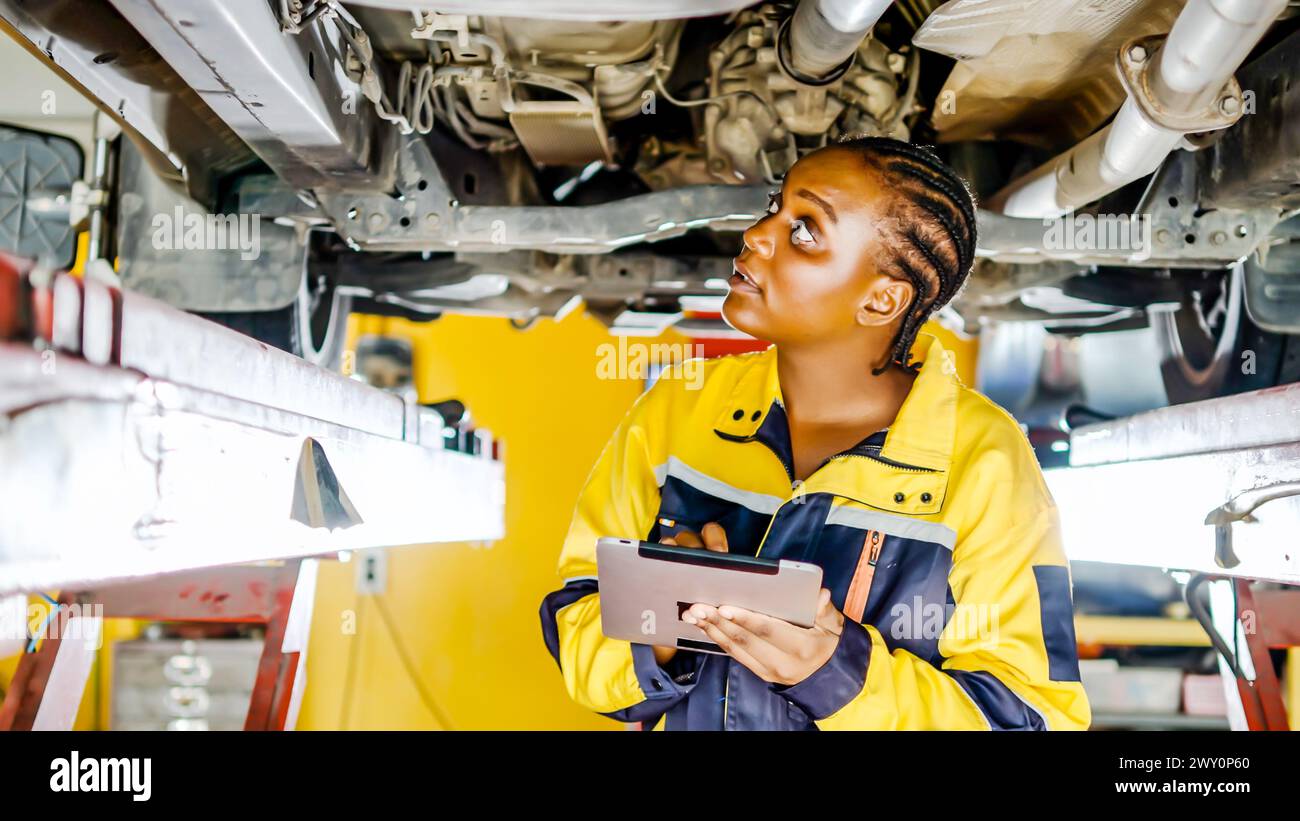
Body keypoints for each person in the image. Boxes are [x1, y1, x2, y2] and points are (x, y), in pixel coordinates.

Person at [539, 136, 1091, 730]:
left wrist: (835, 672)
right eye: (775, 206)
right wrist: (661, 630)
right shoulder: (677, 409)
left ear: (882, 299)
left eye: (804, 230)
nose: (756, 235)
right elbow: (579, 626)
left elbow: (1035, 717)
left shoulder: (985, 459)